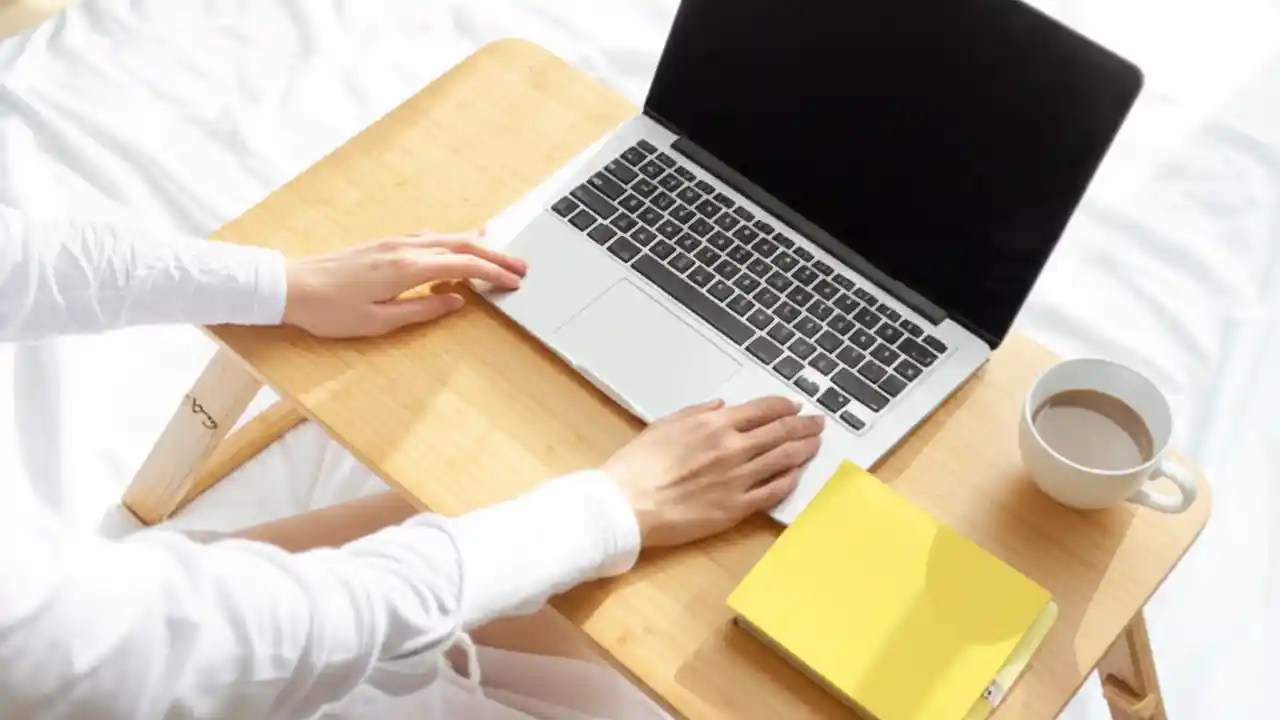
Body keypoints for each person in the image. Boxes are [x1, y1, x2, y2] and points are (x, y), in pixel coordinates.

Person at [0, 209, 824, 718]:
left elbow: (19, 256)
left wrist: (281, 284)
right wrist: (615, 507)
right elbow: (270, 638)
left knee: (481, 523)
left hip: (113, 638)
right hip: (132, 668)